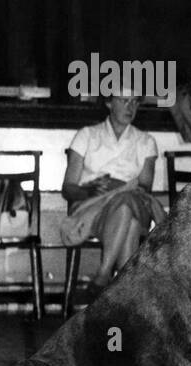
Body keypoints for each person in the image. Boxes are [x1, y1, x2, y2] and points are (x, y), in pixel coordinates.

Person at [60, 94, 166, 290]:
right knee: (129, 220)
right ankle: (121, 291)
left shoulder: (146, 141)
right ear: (109, 103)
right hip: (94, 209)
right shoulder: (87, 135)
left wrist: (116, 188)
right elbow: (68, 188)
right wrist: (88, 191)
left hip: (135, 201)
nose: (130, 107)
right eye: (124, 100)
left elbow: (144, 187)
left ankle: (103, 274)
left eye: (135, 101)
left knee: (127, 200)